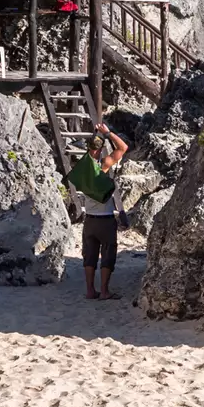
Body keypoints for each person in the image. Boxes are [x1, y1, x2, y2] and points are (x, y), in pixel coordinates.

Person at [77, 123, 128, 300]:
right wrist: (108, 133)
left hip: (89, 221)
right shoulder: (104, 165)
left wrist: (96, 136)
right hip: (105, 220)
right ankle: (104, 291)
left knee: (89, 256)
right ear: (101, 149)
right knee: (108, 254)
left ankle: (90, 291)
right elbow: (123, 147)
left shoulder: (82, 168)